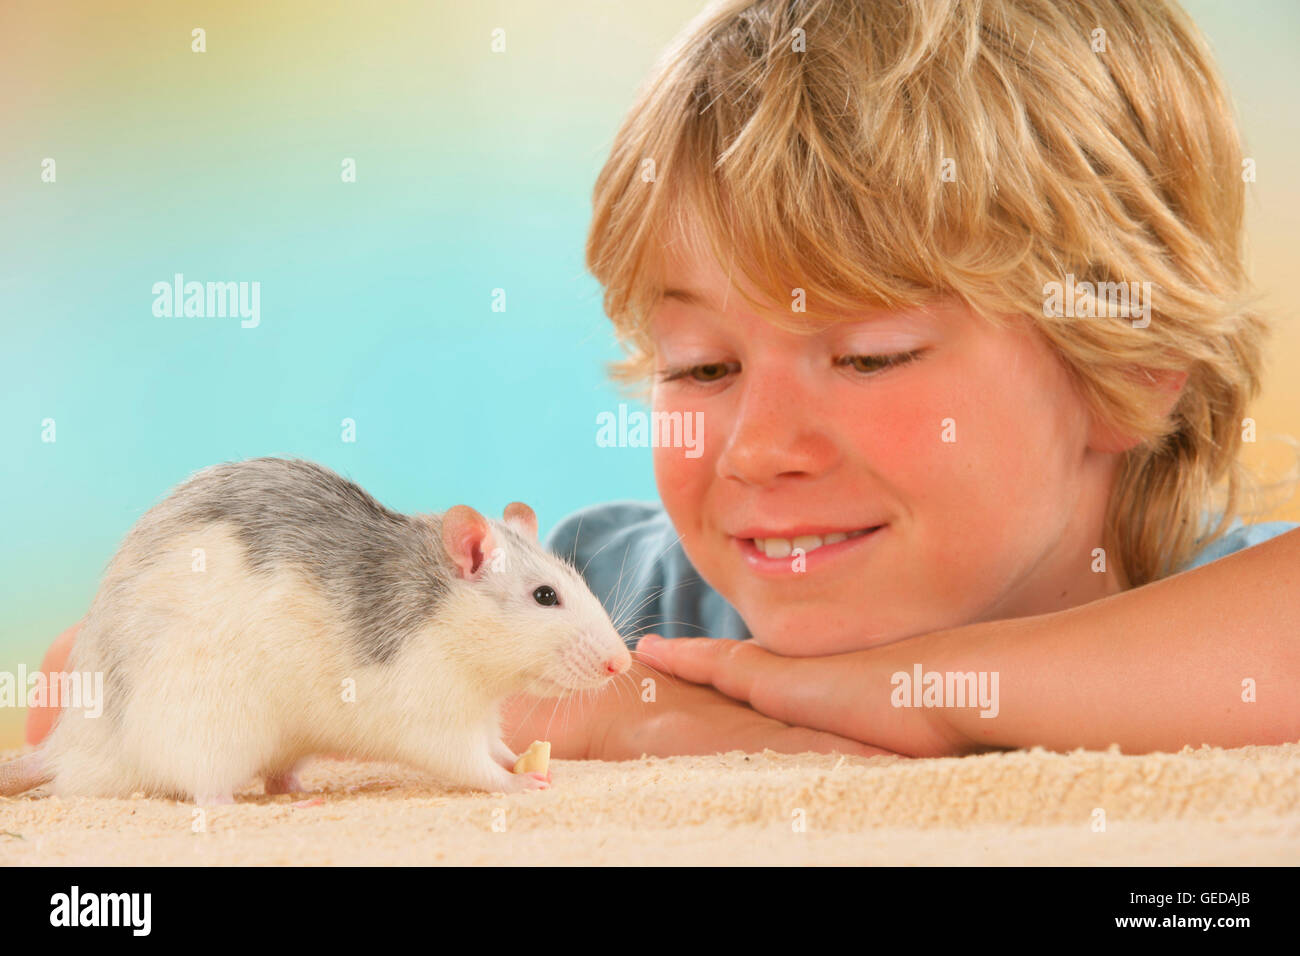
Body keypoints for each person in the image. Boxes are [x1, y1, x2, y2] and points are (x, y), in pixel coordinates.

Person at [27, 0, 1300, 763]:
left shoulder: (1222, 614)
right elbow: (91, 673)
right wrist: (616, 714)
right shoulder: (612, 598)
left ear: (1127, 367)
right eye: (700, 365)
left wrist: (910, 698)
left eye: (867, 356)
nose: (757, 446)